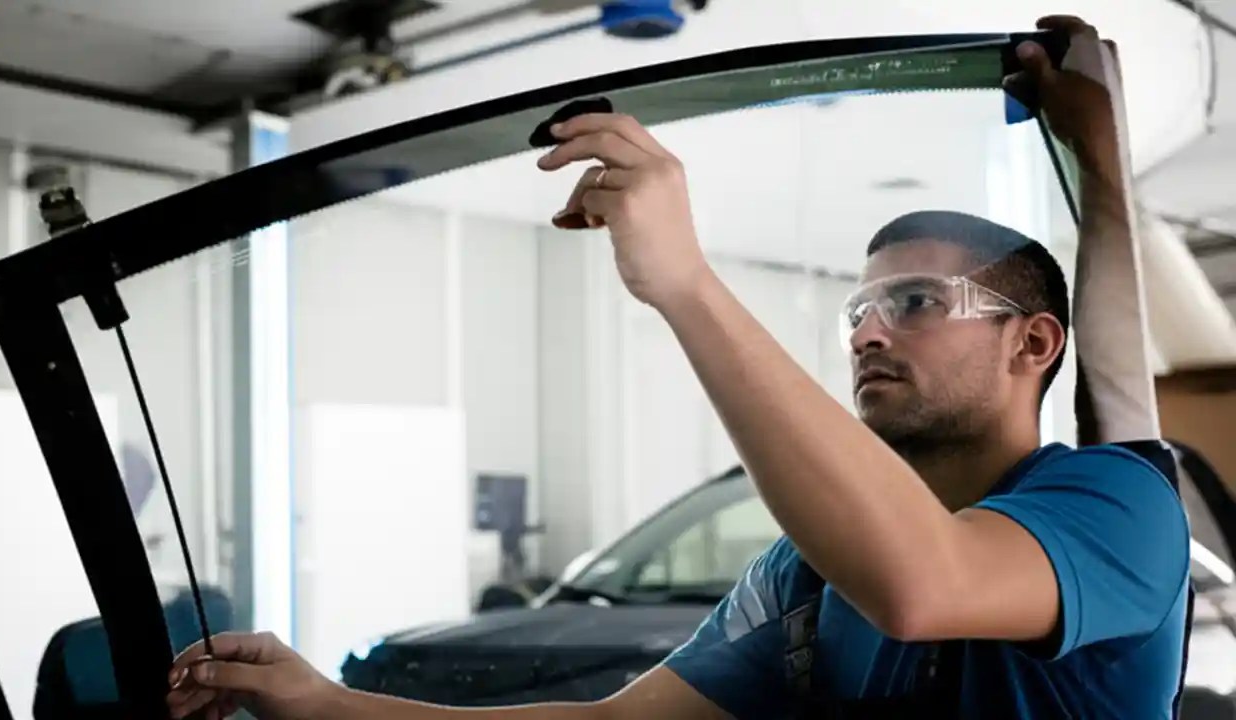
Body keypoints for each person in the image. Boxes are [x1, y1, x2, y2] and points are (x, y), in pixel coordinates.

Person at [166, 15, 1189, 720]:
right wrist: (327, 706)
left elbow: (923, 583)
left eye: (914, 304)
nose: (869, 334)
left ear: (1031, 344)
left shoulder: (1110, 507)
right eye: (860, 311)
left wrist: (683, 284)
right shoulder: (804, 577)